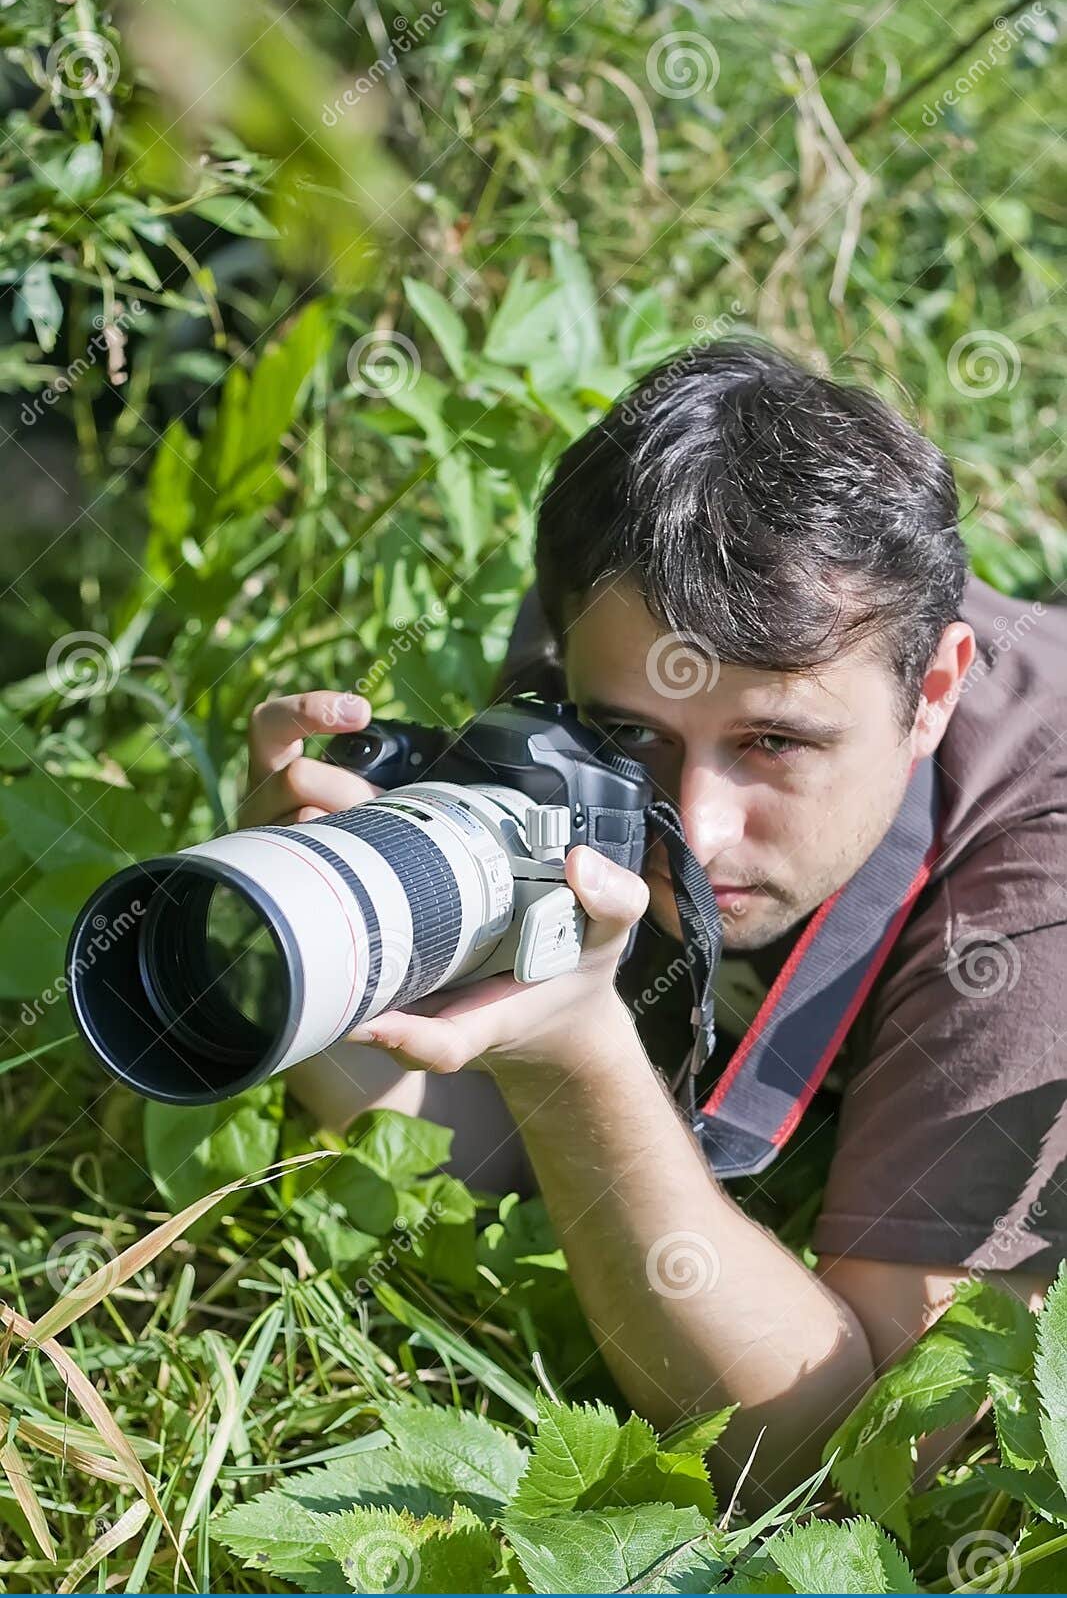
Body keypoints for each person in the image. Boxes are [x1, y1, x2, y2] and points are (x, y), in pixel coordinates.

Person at [239, 340, 1067, 1503]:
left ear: (930, 694)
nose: (697, 828)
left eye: (774, 744)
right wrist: (306, 924)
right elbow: (473, 1152)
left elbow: (870, 1462)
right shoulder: (625, 632)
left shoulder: (1041, 867)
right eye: (632, 739)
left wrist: (579, 1054)